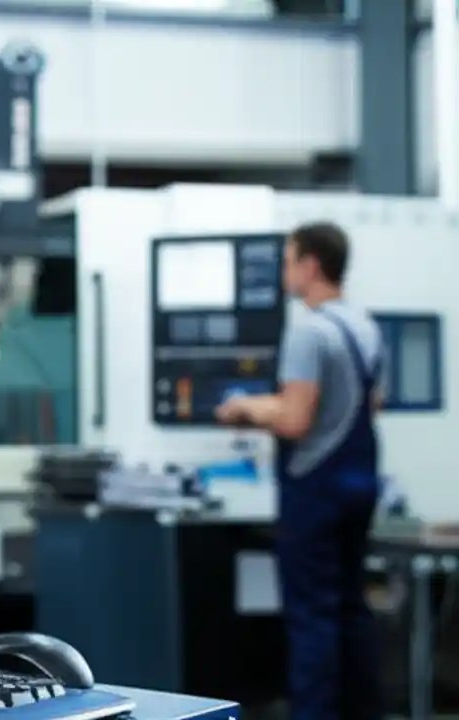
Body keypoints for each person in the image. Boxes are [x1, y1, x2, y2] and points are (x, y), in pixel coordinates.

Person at [215, 222, 381, 720]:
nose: (285, 272)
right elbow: (370, 404)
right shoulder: (364, 326)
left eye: (288, 261)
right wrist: (273, 403)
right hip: (360, 484)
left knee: (311, 618)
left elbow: (295, 418)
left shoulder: (307, 331)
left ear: (310, 265)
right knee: (351, 608)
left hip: (317, 491)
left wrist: (244, 409)